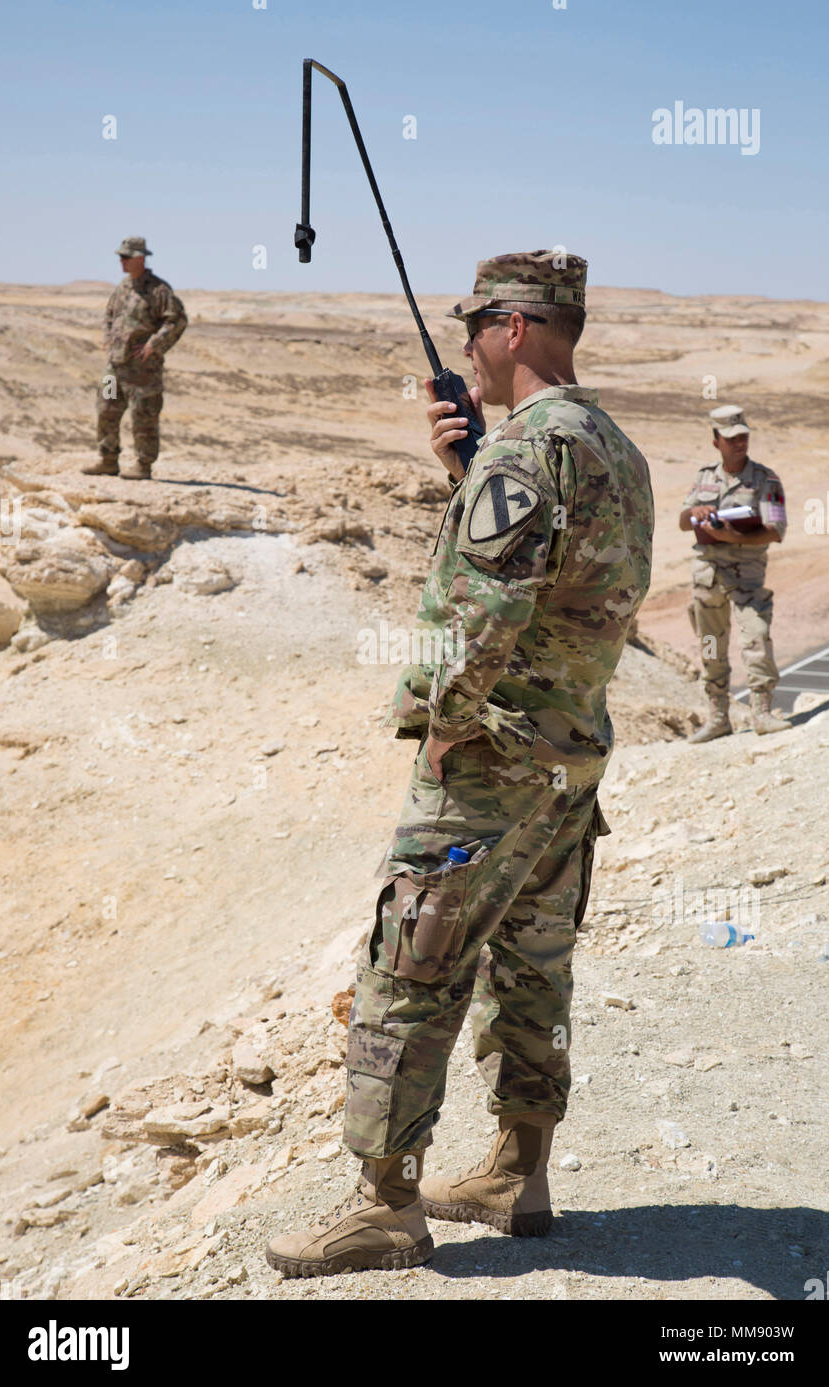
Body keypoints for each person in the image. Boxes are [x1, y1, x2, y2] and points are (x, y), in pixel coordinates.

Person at [265, 249, 654, 1278]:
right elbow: (568, 582)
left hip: (490, 760)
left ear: (513, 327)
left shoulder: (525, 453)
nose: (467, 341)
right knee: (531, 963)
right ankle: (516, 1173)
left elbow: (485, 608)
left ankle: (384, 1203)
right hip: (568, 758)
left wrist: (444, 721)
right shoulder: (606, 443)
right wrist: (464, 472)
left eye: (473, 321)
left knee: (411, 966)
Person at [680, 405, 791, 741]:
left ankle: (762, 713)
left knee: (756, 636)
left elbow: (776, 529)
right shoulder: (704, 477)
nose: (739, 443)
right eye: (731, 438)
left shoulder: (766, 480)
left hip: (746, 575)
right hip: (708, 576)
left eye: (743, 436)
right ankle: (718, 718)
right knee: (711, 646)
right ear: (716, 442)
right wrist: (695, 512)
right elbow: (683, 523)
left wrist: (734, 536)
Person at [84, 236, 187, 481]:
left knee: (144, 416)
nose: (121, 262)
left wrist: (154, 345)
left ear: (140, 258)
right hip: (115, 367)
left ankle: (143, 464)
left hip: (143, 370)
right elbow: (109, 315)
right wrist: (108, 337)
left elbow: (176, 320)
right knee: (106, 409)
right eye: (120, 257)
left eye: (126, 257)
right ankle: (108, 460)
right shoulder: (122, 288)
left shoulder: (158, 290)